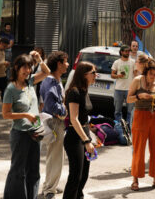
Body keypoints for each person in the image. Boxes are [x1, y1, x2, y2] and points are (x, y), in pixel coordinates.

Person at [2, 52, 50, 199]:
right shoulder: (11, 89)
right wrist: (26, 115)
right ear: (16, 68)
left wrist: (40, 60)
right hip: (20, 134)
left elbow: (47, 72)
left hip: (35, 131)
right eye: (24, 67)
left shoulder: (30, 82)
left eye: (29, 67)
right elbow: (6, 114)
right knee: (18, 171)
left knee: (34, 170)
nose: (27, 71)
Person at [127, 58, 155, 191]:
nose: (153, 77)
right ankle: (135, 180)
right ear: (146, 72)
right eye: (151, 73)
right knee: (139, 149)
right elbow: (128, 99)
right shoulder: (138, 80)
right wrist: (139, 96)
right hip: (140, 116)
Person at [62, 61, 97, 199]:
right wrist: (87, 140)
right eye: (93, 73)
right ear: (84, 74)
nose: (96, 75)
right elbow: (74, 119)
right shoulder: (74, 92)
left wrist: (92, 133)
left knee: (84, 175)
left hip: (84, 134)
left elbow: (83, 118)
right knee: (75, 176)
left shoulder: (84, 90)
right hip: (74, 138)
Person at [40, 51, 69, 199]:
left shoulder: (51, 80)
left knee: (53, 156)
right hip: (55, 123)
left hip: (52, 122)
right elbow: (51, 105)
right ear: (59, 64)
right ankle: (50, 190)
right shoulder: (52, 82)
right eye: (65, 61)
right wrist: (64, 111)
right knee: (56, 157)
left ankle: (50, 185)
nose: (67, 64)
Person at [111, 45, 136, 128]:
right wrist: (118, 76)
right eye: (125, 51)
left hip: (130, 89)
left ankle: (128, 127)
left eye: (128, 51)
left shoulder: (133, 62)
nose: (127, 53)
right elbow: (112, 75)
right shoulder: (117, 62)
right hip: (118, 89)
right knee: (117, 111)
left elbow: (135, 74)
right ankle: (119, 127)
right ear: (121, 52)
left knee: (130, 111)